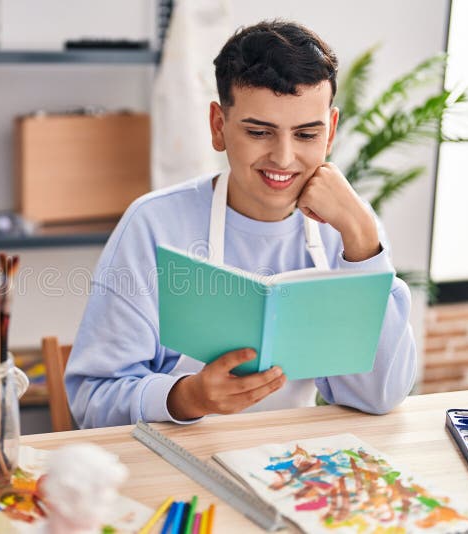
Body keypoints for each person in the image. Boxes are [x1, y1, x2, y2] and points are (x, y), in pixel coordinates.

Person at [65, 20, 417, 429]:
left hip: (287, 466)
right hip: (175, 468)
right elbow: (91, 400)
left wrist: (363, 242)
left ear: (331, 131)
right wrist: (185, 397)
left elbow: (382, 396)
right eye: (259, 131)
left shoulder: (349, 228)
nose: (284, 158)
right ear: (219, 126)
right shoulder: (153, 226)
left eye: (306, 134)